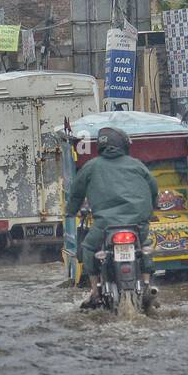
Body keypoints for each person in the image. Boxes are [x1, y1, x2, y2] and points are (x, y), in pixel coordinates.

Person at [65, 126, 157, 308]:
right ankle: (147, 285)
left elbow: (76, 193)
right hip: (138, 225)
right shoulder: (137, 164)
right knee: (145, 246)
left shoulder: (90, 166)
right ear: (123, 145)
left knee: (89, 248)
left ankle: (95, 291)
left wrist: (70, 211)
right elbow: (153, 189)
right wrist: (151, 209)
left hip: (105, 227)